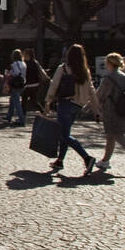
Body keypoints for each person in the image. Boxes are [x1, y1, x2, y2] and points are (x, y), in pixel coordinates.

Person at [43, 43, 101, 176]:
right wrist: (96, 109)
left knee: (63, 135)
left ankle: (87, 158)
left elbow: (54, 85)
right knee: (66, 133)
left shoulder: (63, 68)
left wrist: (48, 101)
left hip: (66, 103)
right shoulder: (84, 70)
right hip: (78, 105)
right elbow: (92, 90)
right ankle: (60, 160)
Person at [21, 48, 48, 115]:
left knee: (24, 101)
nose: (23, 55)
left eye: (24, 54)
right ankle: (43, 111)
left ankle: (22, 117)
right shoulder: (35, 62)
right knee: (33, 101)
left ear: (28, 55)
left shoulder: (25, 63)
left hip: (28, 85)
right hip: (36, 84)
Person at [5, 49, 28, 126]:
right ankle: (9, 116)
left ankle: (21, 119)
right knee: (13, 100)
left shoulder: (15, 64)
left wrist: (10, 73)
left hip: (16, 84)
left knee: (16, 103)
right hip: (22, 84)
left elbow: (16, 73)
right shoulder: (24, 63)